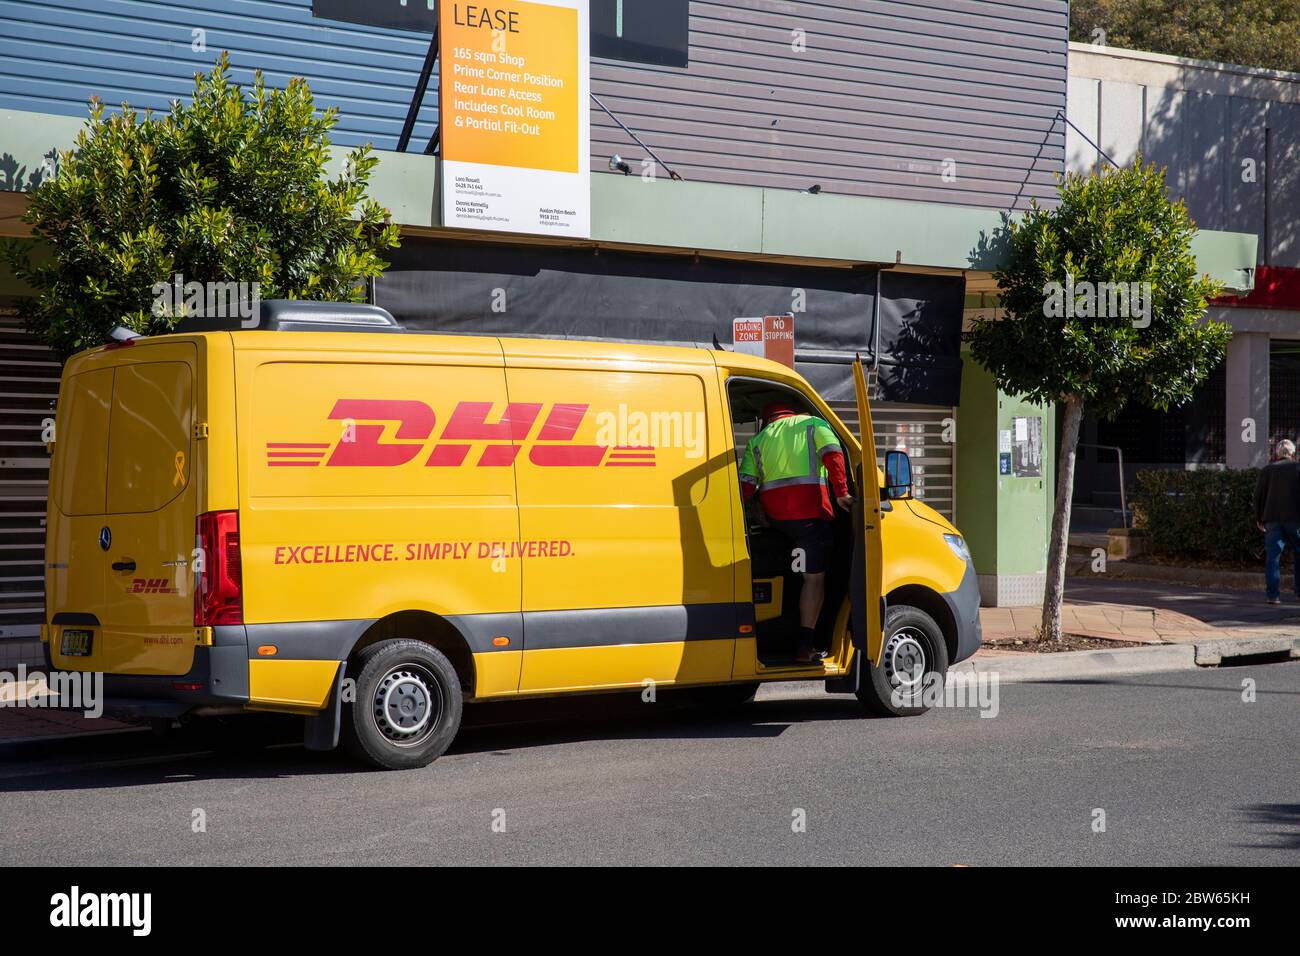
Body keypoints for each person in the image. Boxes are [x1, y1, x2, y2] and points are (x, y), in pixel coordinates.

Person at [739, 401, 853, 661]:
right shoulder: (813, 424)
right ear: (791, 412)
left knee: (793, 571)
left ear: (769, 420)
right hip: (810, 518)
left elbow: (744, 487)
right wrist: (843, 493)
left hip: (778, 522)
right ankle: (805, 645)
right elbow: (834, 454)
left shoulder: (757, 441)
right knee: (814, 579)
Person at [1254, 438, 1300, 605]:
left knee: (1273, 558)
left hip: (1272, 519)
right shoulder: (1297, 468)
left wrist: (1259, 518)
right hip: (1296, 519)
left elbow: (1259, 495)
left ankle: (1273, 595)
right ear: (1292, 453)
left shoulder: (1267, 470)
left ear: (1276, 453)